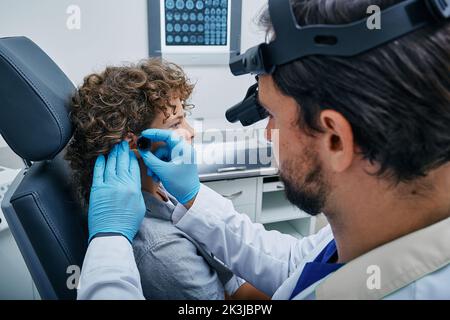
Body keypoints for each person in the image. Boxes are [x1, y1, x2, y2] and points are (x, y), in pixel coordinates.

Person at [78, 0, 450, 300]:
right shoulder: (370, 232)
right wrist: (193, 198)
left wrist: (108, 244)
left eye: (271, 114)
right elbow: (293, 265)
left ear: (335, 138)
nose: (269, 134)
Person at [66, 59, 268, 300]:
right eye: (176, 123)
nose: (191, 132)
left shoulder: (159, 187)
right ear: (134, 143)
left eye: (185, 117)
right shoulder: (161, 251)